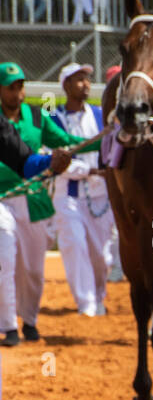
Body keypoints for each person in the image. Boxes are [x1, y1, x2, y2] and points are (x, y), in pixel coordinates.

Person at [0, 62, 89, 343]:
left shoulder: (33, 118)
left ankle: (28, 320)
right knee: (4, 258)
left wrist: (51, 161)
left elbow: (24, 160)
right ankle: (8, 326)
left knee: (33, 271)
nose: (17, 92)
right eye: (10, 87)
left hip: (31, 199)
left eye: (20, 86)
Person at [50, 63, 117, 317]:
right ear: (66, 85)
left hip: (100, 195)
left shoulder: (102, 116)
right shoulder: (54, 120)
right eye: (79, 79)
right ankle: (86, 303)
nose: (86, 84)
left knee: (101, 255)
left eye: (87, 79)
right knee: (75, 246)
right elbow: (53, 157)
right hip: (68, 195)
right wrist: (86, 171)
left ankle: (98, 296)